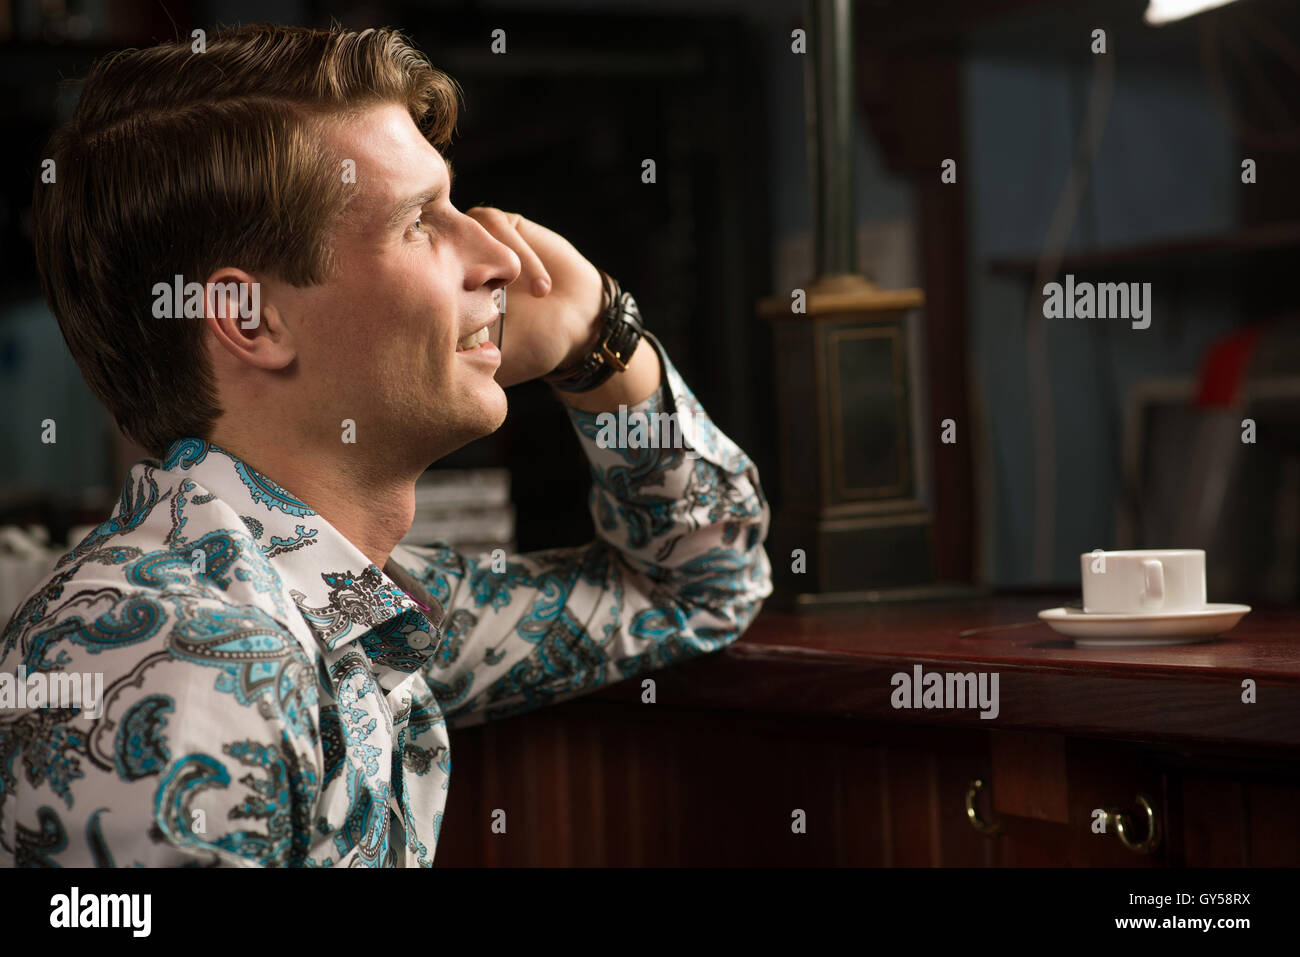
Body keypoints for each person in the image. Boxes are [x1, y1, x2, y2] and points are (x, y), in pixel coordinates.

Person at [0, 22, 771, 867]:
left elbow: (697, 583)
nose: (501, 254)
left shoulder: (337, 599)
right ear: (250, 319)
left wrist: (603, 342)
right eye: (419, 222)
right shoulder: (181, 661)